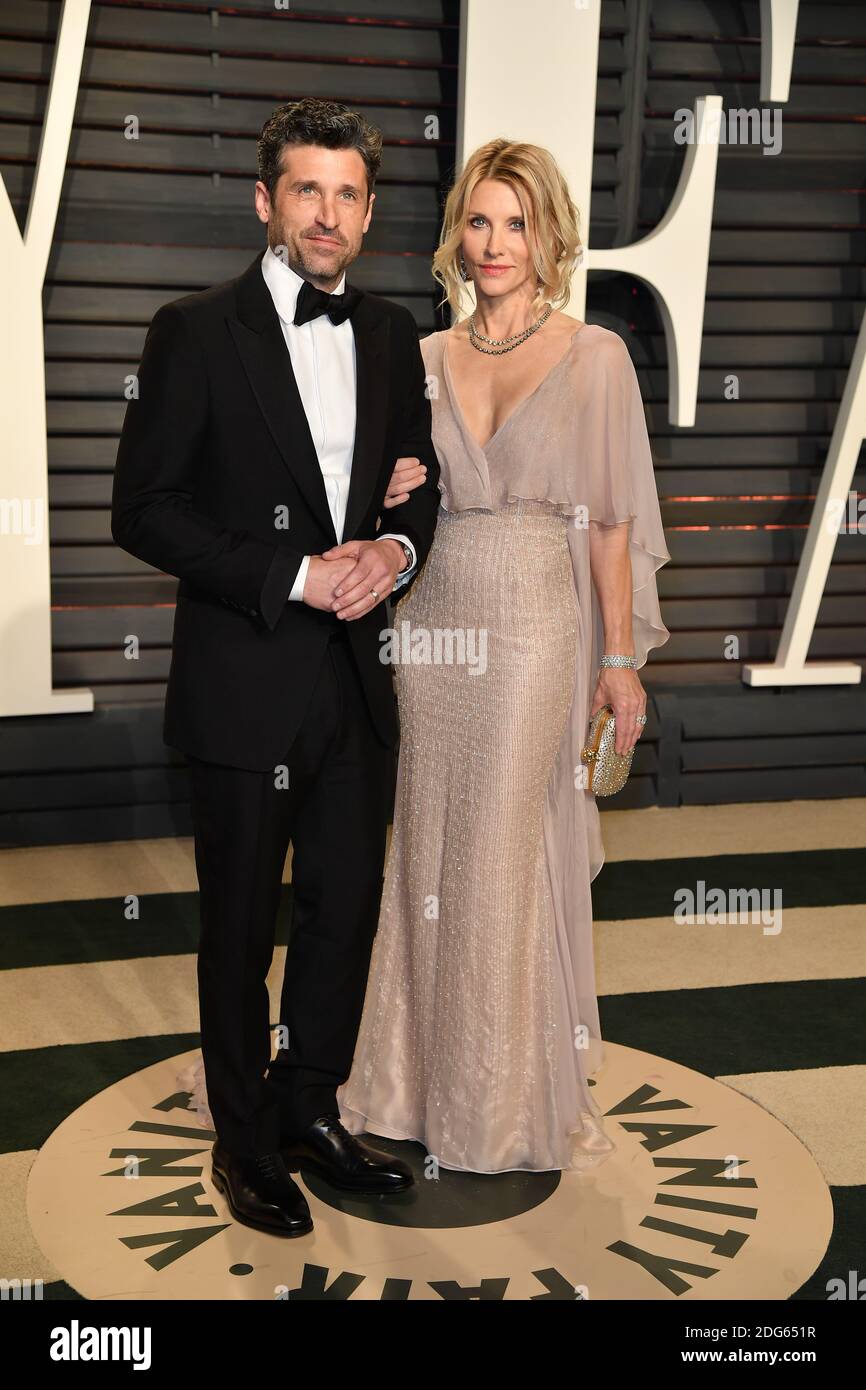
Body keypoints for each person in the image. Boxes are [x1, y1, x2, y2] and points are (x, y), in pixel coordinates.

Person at [111, 97, 441, 1235]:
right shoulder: (191, 329)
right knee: (240, 928)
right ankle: (243, 1144)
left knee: (341, 915)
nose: (328, 212)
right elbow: (142, 509)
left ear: (366, 212)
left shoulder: (394, 334)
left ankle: (310, 1112)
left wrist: (396, 550)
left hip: (354, 685)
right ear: (265, 201)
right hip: (244, 683)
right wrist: (295, 575)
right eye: (307, 189)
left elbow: (419, 482)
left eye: (349, 193)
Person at [337, 138, 671, 1173]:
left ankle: (496, 1100)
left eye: (514, 223)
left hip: (532, 624)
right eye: (477, 221)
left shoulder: (594, 356)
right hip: (429, 622)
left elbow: (611, 524)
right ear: (455, 233)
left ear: (546, 237)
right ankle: (403, 1079)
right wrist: (392, 487)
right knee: (427, 844)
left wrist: (619, 661)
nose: (492, 244)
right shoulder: (424, 356)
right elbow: (391, 486)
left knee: (496, 848)